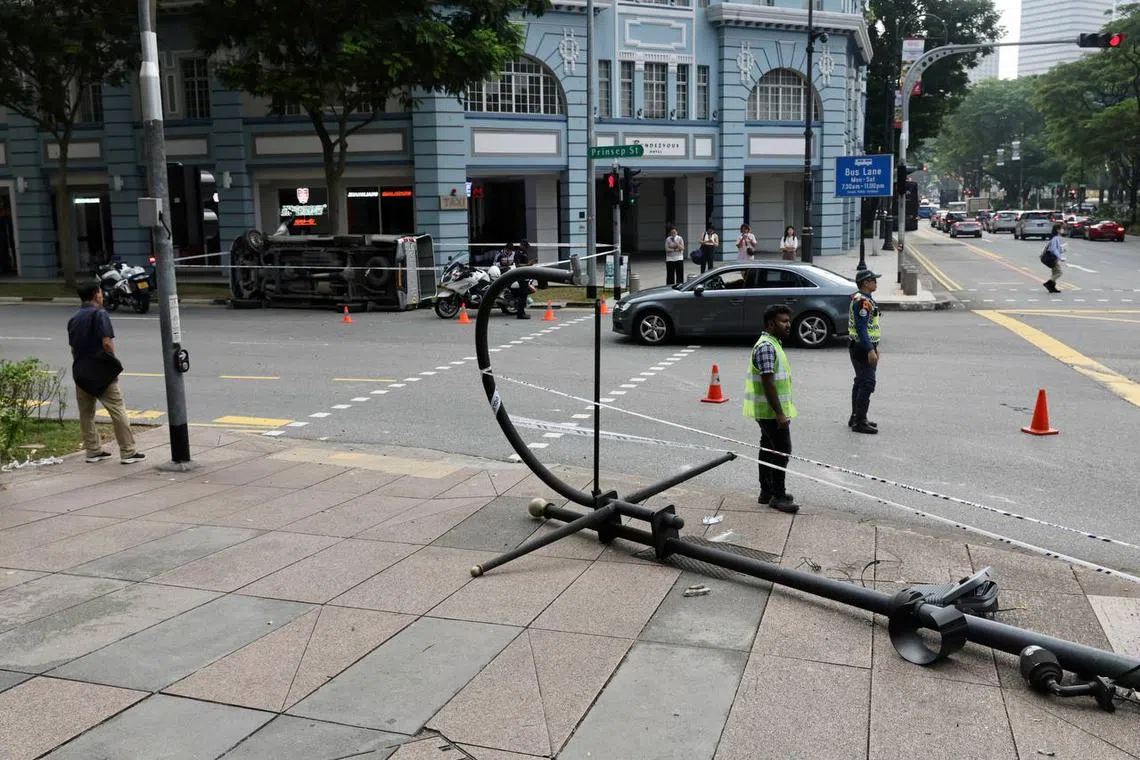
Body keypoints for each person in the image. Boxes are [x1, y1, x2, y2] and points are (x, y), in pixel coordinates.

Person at [67, 280, 145, 464]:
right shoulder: (100, 314)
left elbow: (73, 347)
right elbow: (107, 343)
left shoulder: (74, 318)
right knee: (117, 410)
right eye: (101, 293)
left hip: (80, 370)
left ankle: (93, 450)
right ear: (96, 295)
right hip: (101, 371)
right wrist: (112, 362)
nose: (102, 296)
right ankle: (128, 451)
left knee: (86, 413)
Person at [743, 304, 798, 513]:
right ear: (770, 324)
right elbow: (768, 382)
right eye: (783, 321)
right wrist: (780, 414)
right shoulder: (767, 346)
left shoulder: (773, 343)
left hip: (767, 411)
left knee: (767, 449)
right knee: (782, 451)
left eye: (788, 320)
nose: (788, 325)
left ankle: (767, 492)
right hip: (770, 413)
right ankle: (778, 495)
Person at [848, 269, 881, 435]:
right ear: (865, 283)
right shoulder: (863, 302)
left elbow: (870, 326)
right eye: (873, 280)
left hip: (861, 345)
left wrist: (875, 346)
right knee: (867, 383)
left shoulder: (865, 298)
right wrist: (870, 349)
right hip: (862, 347)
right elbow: (861, 327)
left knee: (860, 381)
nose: (876, 282)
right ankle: (860, 422)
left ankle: (856, 417)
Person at [512, 239, 536, 319]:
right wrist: (528, 264)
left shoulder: (524, 252)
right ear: (522, 245)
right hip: (521, 276)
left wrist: (530, 263)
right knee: (522, 296)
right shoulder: (518, 253)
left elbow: (525, 263)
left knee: (524, 295)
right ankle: (520, 314)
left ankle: (522, 312)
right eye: (525, 246)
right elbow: (517, 265)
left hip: (525, 276)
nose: (526, 248)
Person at [1042, 223, 1065, 294]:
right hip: (1053, 258)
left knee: (1054, 273)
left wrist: (1062, 249)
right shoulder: (1055, 238)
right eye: (1062, 228)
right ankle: (1048, 283)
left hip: (1053, 258)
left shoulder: (1055, 237)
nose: (1063, 230)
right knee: (1059, 272)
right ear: (1058, 230)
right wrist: (1060, 257)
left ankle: (1052, 287)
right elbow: (1053, 249)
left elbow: (1055, 248)